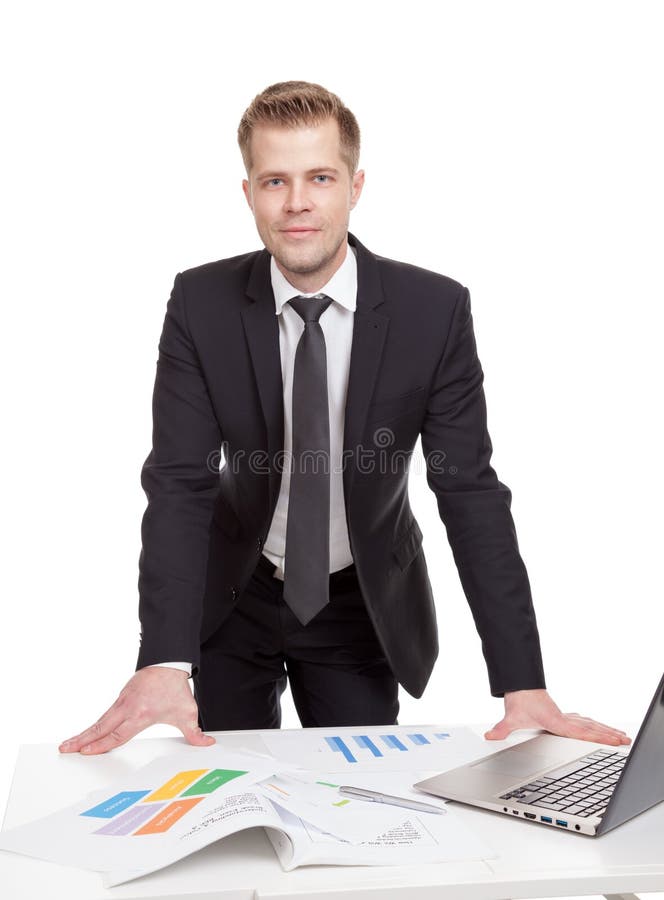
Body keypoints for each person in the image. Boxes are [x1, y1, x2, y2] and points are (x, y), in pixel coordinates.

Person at [60, 81, 630, 756]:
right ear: (248, 193)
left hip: (361, 599)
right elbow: (180, 482)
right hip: (233, 592)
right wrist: (163, 658)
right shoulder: (200, 302)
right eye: (275, 180)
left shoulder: (433, 311)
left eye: (320, 177)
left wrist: (522, 682)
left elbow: (469, 490)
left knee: (359, 798)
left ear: (355, 186)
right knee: (223, 802)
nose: (297, 202)